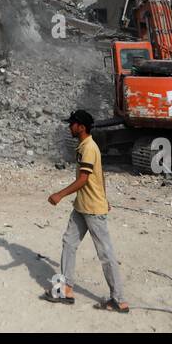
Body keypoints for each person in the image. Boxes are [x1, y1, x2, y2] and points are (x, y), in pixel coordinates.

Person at [45, 109, 129, 312]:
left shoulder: (89, 148)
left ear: (81, 127)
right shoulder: (84, 146)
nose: (69, 127)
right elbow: (99, 175)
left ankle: (119, 299)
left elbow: (83, 179)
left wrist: (59, 194)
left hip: (92, 208)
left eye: (72, 124)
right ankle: (65, 289)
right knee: (69, 242)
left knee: (105, 253)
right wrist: (105, 198)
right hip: (82, 206)